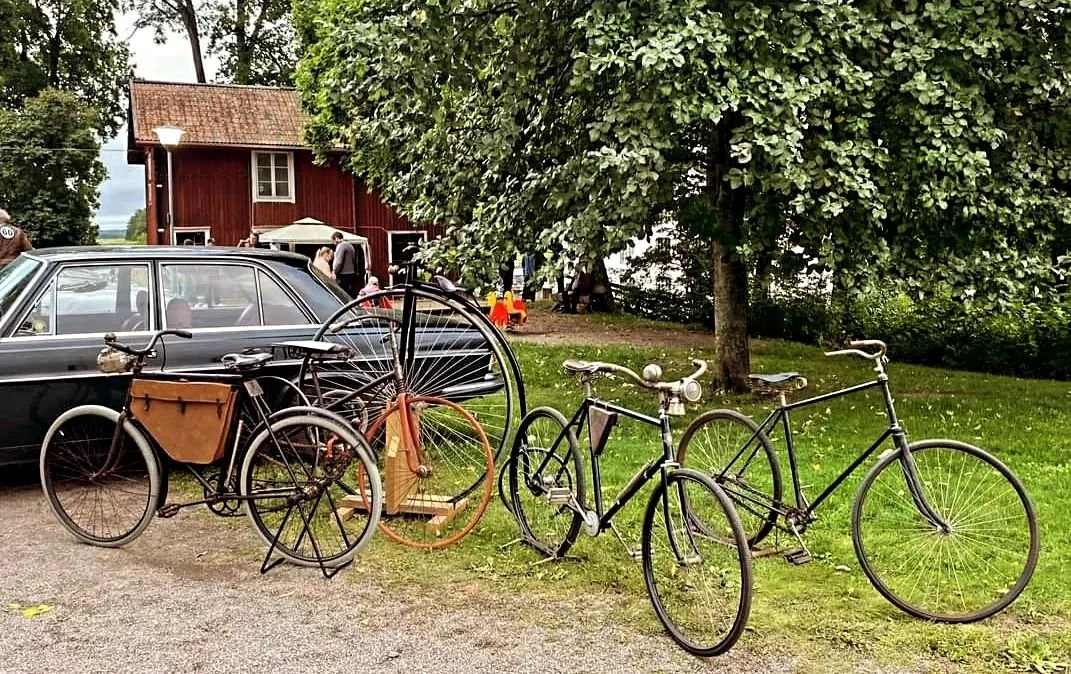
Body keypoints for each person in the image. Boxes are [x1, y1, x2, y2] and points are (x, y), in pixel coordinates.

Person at [331, 231, 362, 297]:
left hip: (343, 275)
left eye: (333, 241)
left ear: (336, 238)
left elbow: (338, 262)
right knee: (350, 294)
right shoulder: (350, 245)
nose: (334, 244)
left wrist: (334, 270)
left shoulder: (341, 246)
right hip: (351, 273)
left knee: (342, 294)